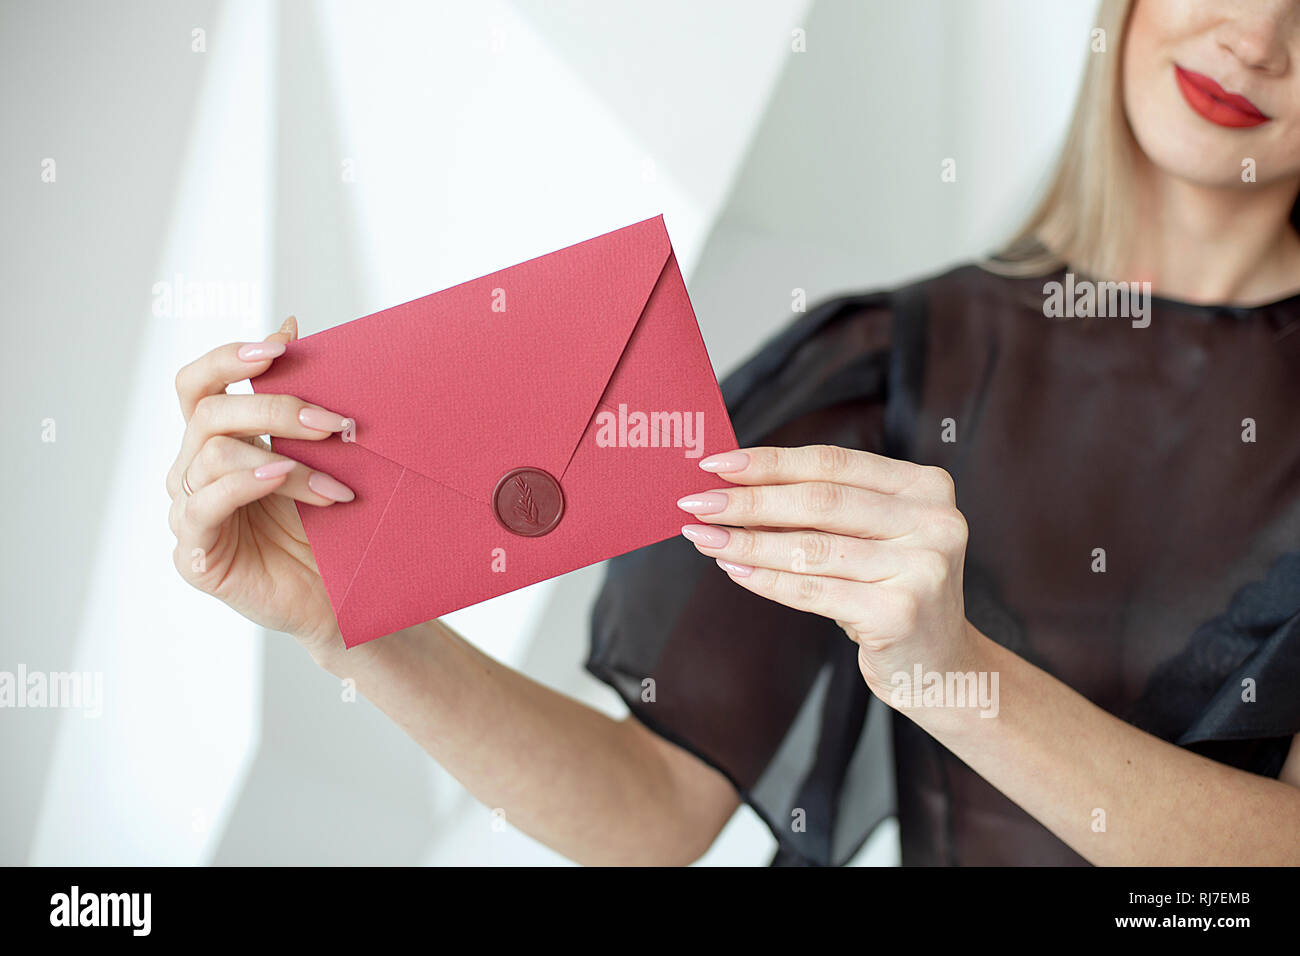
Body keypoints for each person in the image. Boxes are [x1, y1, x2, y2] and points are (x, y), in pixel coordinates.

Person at [166, 0, 1300, 865]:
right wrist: (350, 624)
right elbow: (652, 807)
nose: (1256, 37)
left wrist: (958, 677)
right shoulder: (890, 360)